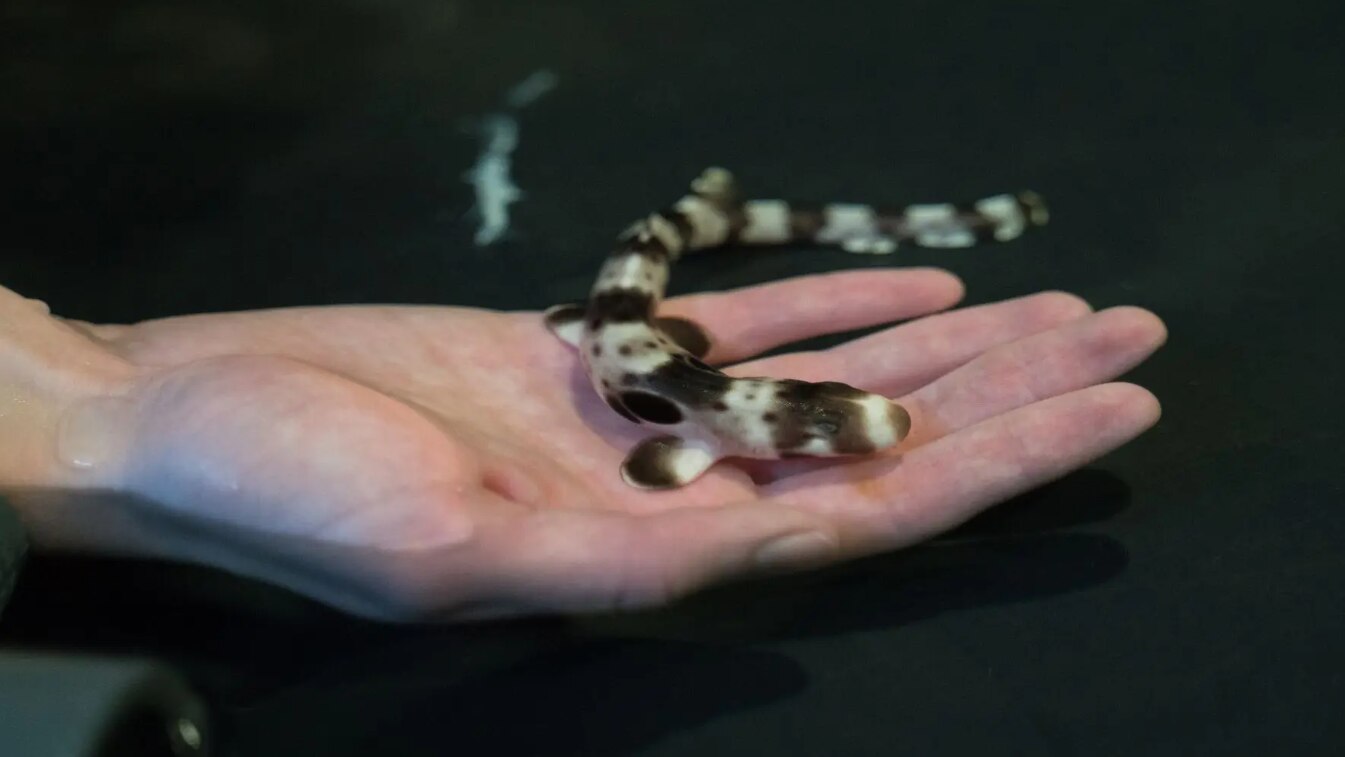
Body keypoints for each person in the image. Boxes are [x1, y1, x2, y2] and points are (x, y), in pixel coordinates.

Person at [0, 268, 1165, 621]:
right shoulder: (709, 429)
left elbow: (684, 437)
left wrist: (85, 379)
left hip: (658, 361)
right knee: (626, 320)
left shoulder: (720, 417)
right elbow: (671, 448)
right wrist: (87, 410)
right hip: (633, 350)